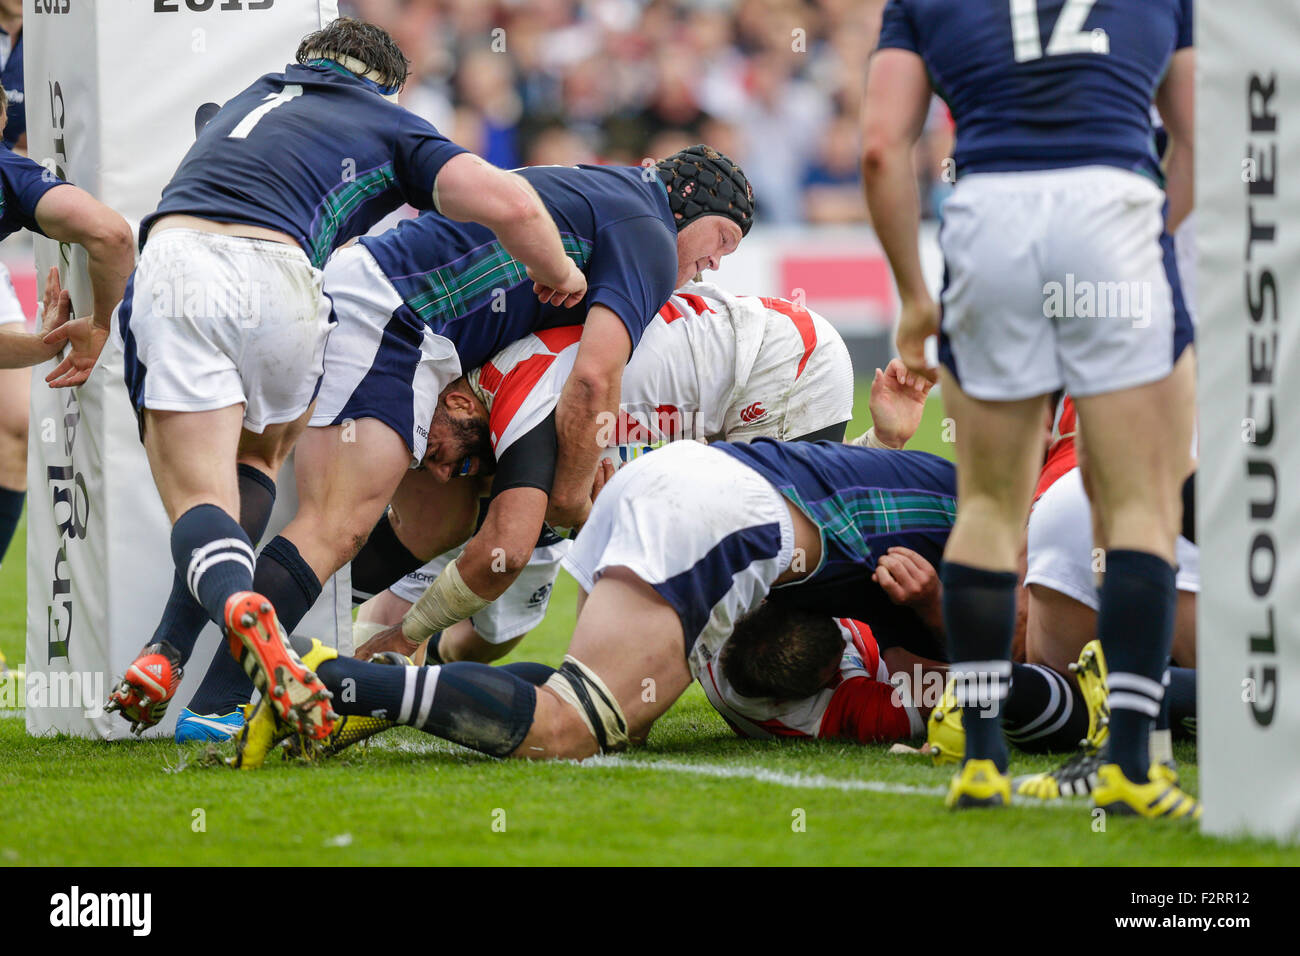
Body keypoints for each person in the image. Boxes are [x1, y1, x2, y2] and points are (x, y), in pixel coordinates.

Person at [166, 145, 754, 739]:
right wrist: (576, 499)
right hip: (400, 315)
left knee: (416, 518)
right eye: (723, 240)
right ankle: (214, 703)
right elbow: (595, 378)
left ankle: (188, 651)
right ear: (687, 201)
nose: (714, 264)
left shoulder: (609, 194)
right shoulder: (650, 231)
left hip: (389, 308)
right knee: (332, 526)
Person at [103, 17, 585, 739]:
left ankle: (193, 635)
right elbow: (512, 201)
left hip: (184, 259)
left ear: (308, 62)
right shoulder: (389, 120)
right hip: (289, 283)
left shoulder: (248, 97)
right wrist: (561, 273)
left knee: (201, 496)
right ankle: (196, 651)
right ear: (388, 87)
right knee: (257, 463)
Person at [177, 280, 842, 739]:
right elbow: (521, 530)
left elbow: (510, 547)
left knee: (745, 638)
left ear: (457, 401)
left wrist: (404, 638)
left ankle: (877, 665)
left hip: (784, 366)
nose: (442, 471)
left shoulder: (519, 385)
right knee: (592, 626)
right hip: (742, 378)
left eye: (438, 454)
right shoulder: (496, 411)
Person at [862, 0, 1198, 816]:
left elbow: (879, 149)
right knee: (1138, 508)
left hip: (991, 217)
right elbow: (1199, 136)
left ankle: (981, 761)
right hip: (1111, 207)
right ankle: (1130, 765)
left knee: (987, 504)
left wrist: (913, 295)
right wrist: (1151, 237)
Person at [233, 438, 961, 769]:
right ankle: (334, 679)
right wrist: (938, 619)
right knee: (571, 730)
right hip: (719, 516)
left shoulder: (940, 511)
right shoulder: (971, 540)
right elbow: (963, 687)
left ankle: (355, 701)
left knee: (585, 703)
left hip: (674, 474)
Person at [0, 78, 135, 582]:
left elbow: (110, 235)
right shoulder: (11, 174)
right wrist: (104, 328)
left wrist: (45, 345)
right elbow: (113, 234)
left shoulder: (12, 177)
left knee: (15, 428)